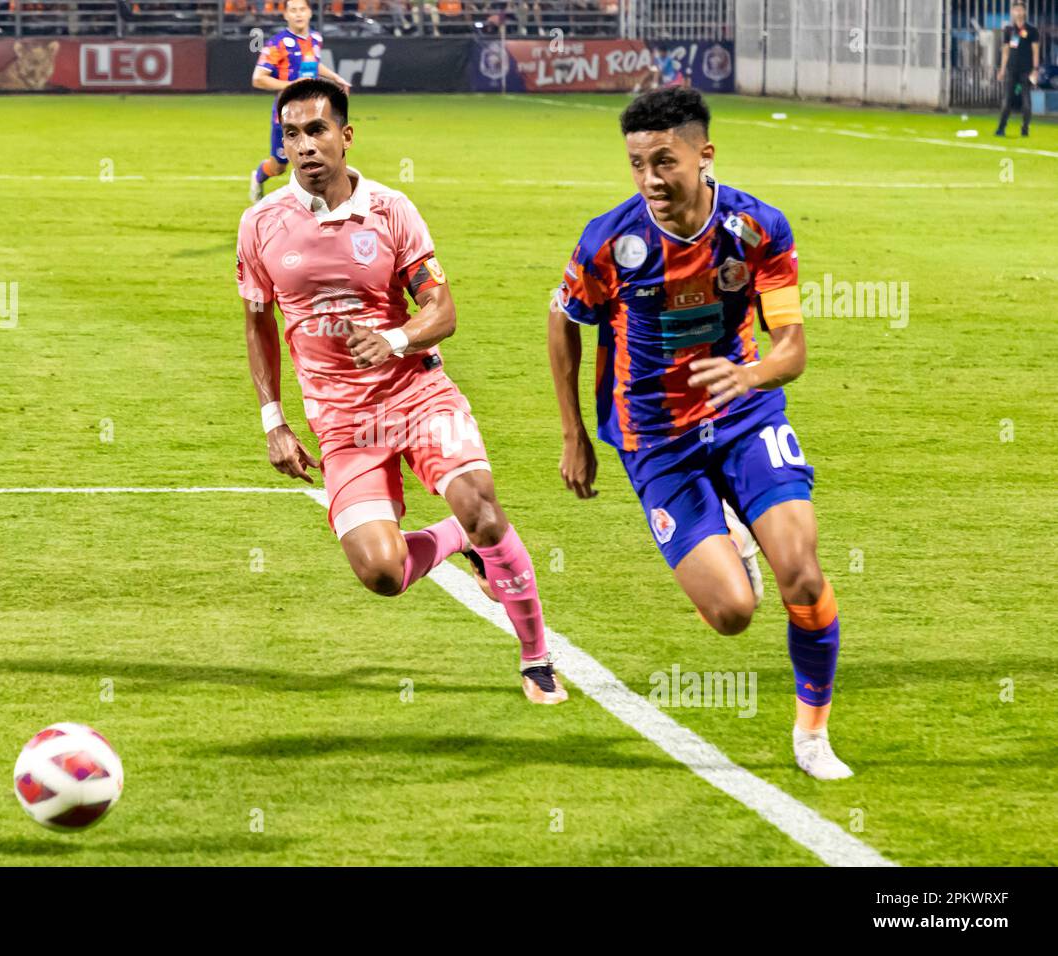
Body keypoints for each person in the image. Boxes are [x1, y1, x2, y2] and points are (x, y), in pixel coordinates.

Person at [548, 87, 851, 777]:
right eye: (636, 164)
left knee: (801, 574)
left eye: (664, 161)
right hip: (655, 437)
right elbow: (563, 319)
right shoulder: (609, 243)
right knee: (732, 613)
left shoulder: (758, 228)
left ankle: (811, 734)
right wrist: (574, 433)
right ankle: (729, 533)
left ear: (704, 154)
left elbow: (792, 347)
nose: (651, 179)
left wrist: (752, 378)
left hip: (746, 415)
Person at [237, 78, 568, 705]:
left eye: (316, 130)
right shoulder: (260, 224)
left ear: (345, 135)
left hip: (417, 393)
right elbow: (257, 319)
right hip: (342, 421)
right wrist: (272, 420)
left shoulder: (391, 210)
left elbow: (441, 310)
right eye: (291, 134)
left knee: (481, 503)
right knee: (383, 573)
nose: (304, 146)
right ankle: (456, 540)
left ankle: (536, 657)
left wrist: (393, 340)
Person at [248, 0, 351, 204]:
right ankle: (258, 177)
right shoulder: (277, 44)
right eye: (293, 10)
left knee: (319, 157)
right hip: (286, 115)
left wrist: (335, 77)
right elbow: (258, 78)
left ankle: (317, 203)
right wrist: (292, 83)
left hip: (314, 112)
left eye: (302, 9)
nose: (298, 14)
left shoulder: (315, 39)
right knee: (278, 166)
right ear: (285, 15)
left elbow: (314, 64)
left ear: (310, 12)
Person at [996, 2, 1041, 137]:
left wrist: (1035, 69)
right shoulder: (1009, 30)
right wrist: (1002, 69)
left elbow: (1035, 51)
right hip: (1011, 69)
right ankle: (1001, 128)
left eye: (1020, 10)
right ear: (1012, 12)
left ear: (1024, 12)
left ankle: (1025, 128)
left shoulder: (1032, 30)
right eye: (1015, 10)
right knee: (1006, 101)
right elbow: (1005, 52)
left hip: (1026, 71)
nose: (1018, 12)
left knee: (1026, 102)